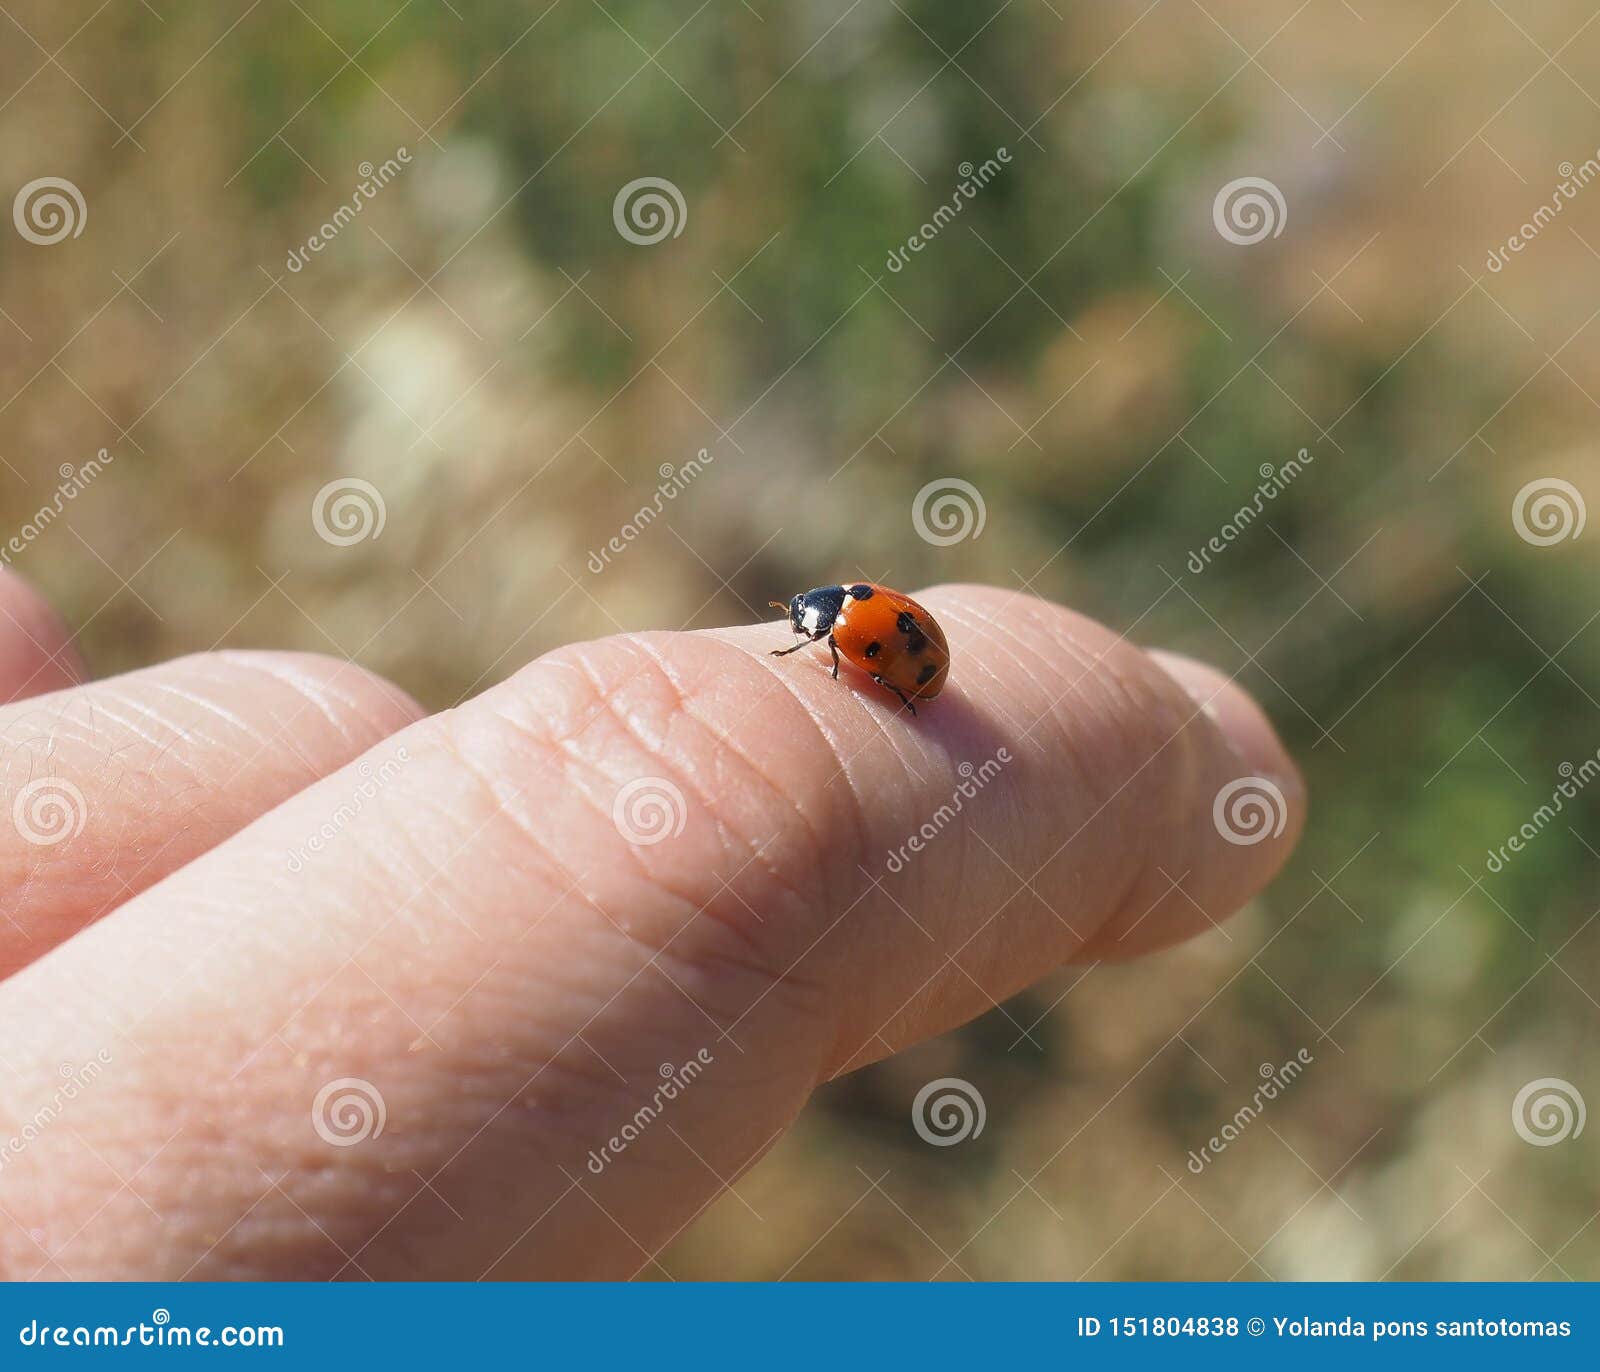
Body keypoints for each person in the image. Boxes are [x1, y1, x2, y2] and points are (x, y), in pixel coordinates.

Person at [0, 568, 1303, 1279]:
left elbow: (869, 655)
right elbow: (865, 653)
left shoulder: (854, 634)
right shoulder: (850, 632)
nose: (824, 637)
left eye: (825, 632)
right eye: (829, 632)